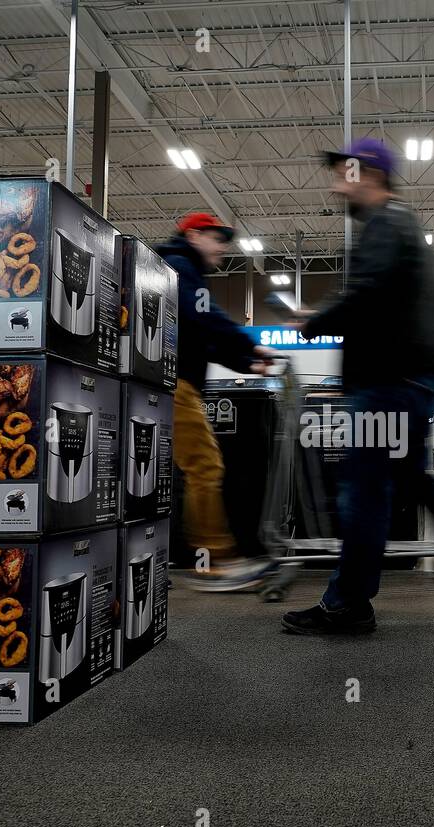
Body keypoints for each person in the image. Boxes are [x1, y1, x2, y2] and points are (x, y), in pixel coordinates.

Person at [280, 138, 434, 635]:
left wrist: (311, 323)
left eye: (343, 174)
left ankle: (347, 603)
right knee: (416, 483)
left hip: (390, 381)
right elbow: (380, 302)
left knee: (364, 491)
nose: (335, 185)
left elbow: (367, 294)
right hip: (406, 378)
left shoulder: (388, 223)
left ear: (368, 174)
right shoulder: (399, 225)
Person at [158, 212, 279, 592]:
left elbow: (204, 340)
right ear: (193, 235)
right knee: (206, 468)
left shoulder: (180, 269)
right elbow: (206, 315)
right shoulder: (180, 266)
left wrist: (248, 363)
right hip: (176, 385)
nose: (223, 246)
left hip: (173, 383)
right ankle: (212, 560)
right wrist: (250, 344)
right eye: (216, 237)